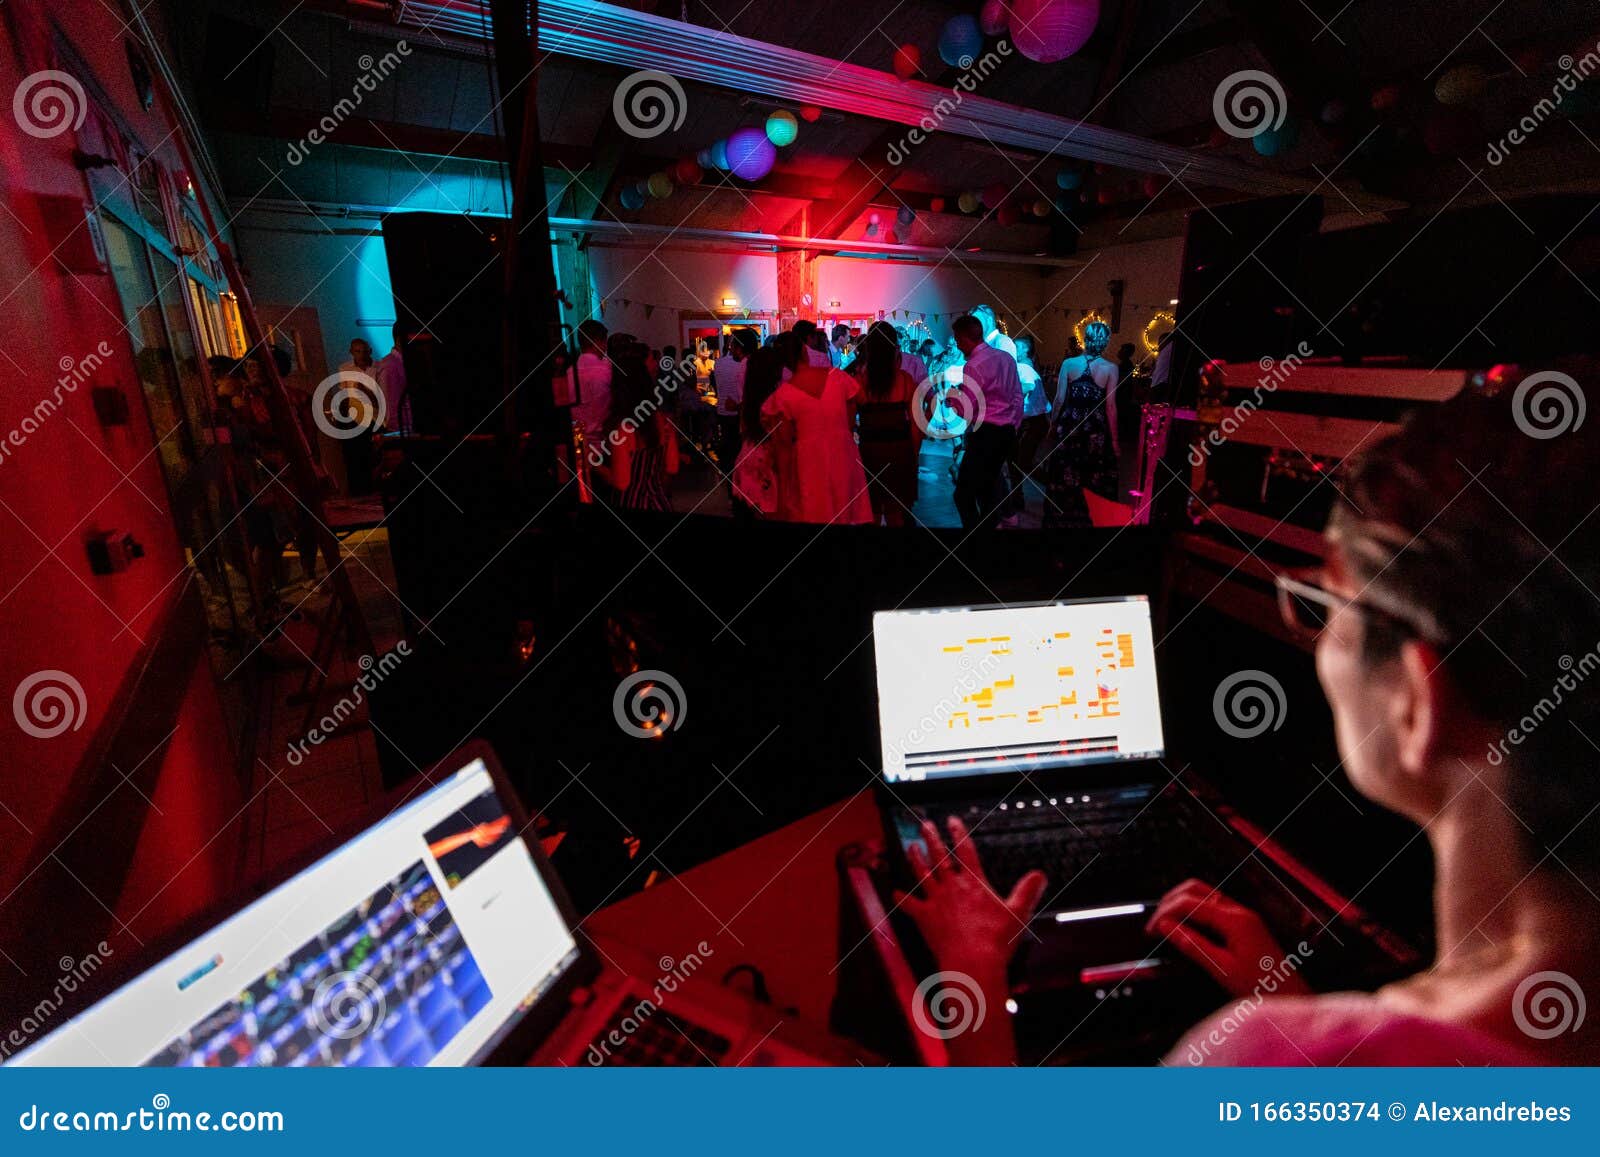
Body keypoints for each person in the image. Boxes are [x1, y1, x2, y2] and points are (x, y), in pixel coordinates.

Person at [900, 372, 1600, 1066]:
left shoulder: (1263, 1061)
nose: (1320, 646)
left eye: (1326, 611)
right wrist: (1298, 1013)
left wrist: (973, 976)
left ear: (1421, 701)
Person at [761, 332, 873, 525]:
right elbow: (862, 398)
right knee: (844, 509)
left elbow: (784, 439)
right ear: (805, 351)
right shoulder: (836, 377)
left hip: (809, 456)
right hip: (842, 450)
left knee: (815, 511)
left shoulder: (784, 394)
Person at [1042, 320, 1120, 527]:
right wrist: (1115, 440)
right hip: (1095, 426)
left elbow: (1059, 400)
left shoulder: (1069, 364)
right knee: (1091, 469)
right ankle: (1085, 514)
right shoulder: (1111, 368)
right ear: (1106, 342)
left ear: (1085, 339)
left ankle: (1064, 512)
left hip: (1070, 423)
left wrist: (1052, 425)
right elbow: (1111, 407)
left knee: (1065, 467)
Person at [949, 314, 1021, 531]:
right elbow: (1017, 397)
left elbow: (968, 410)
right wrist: (1013, 426)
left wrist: (953, 399)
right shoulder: (1006, 358)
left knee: (963, 494)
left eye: (958, 340)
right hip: (1007, 432)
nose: (958, 346)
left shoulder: (973, 365)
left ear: (965, 338)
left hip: (986, 433)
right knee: (988, 489)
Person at [590, 339, 678, 512]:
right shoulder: (660, 419)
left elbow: (622, 483)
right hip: (659, 502)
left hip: (632, 506)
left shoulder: (623, 429)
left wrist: (595, 465)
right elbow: (672, 466)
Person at [852, 322, 923, 526]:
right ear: (895, 347)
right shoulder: (905, 380)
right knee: (895, 512)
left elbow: (849, 422)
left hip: (870, 451)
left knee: (872, 509)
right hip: (899, 451)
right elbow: (916, 425)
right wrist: (914, 455)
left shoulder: (859, 381)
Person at [731, 344, 786, 519]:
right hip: (766, 464)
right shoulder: (775, 400)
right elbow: (779, 438)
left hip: (747, 459)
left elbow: (743, 431)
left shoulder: (749, 398)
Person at [1003, 334, 1050, 518]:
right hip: (1033, 422)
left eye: (1016, 346)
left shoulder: (1023, 367)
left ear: (1025, 350)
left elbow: (1027, 386)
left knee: (1021, 462)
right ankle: (1018, 497)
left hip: (1031, 423)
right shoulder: (1026, 367)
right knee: (1019, 462)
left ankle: (1050, 483)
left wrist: (1011, 401)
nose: (1013, 349)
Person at [335, 338, 382, 495]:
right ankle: (360, 492)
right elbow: (344, 395)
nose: (361, 355)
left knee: (376, 458)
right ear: (351, 352)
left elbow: (383, 397)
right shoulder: (345, 369)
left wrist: (366, 391)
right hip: (355, 420)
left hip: (376, 419)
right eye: (357, 351)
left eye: (364, 351)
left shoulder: (379, 368)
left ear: (370, 351)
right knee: (357, 459)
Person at [713, 329, 754, 473]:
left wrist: (737, 407)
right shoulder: (747, 364)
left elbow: (750, 397)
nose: (730, 348)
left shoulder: (720, 364)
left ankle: (734, 484)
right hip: (739, 414)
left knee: (731, 451)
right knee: (737, 451)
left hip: (730, 412)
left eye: (733, 344)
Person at [569, 320, 612, 445]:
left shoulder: (568, 374)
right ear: (599, 342)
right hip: (604, 443)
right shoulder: (607, 371)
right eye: (605, 342)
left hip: (578, 443)